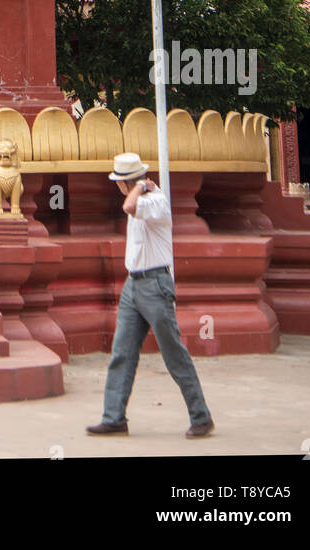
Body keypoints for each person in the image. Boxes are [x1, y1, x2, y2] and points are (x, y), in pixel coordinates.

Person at [86, 151, 214, 439]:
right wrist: (140, 187)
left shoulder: (154, 201)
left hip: (155, 285)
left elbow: (129, 206)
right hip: (134, 284)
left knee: (173, 354)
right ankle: (114, 416)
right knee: (122, 352)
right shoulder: (143, 199)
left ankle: (201, 416)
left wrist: (141, 186)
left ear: (124, 182)